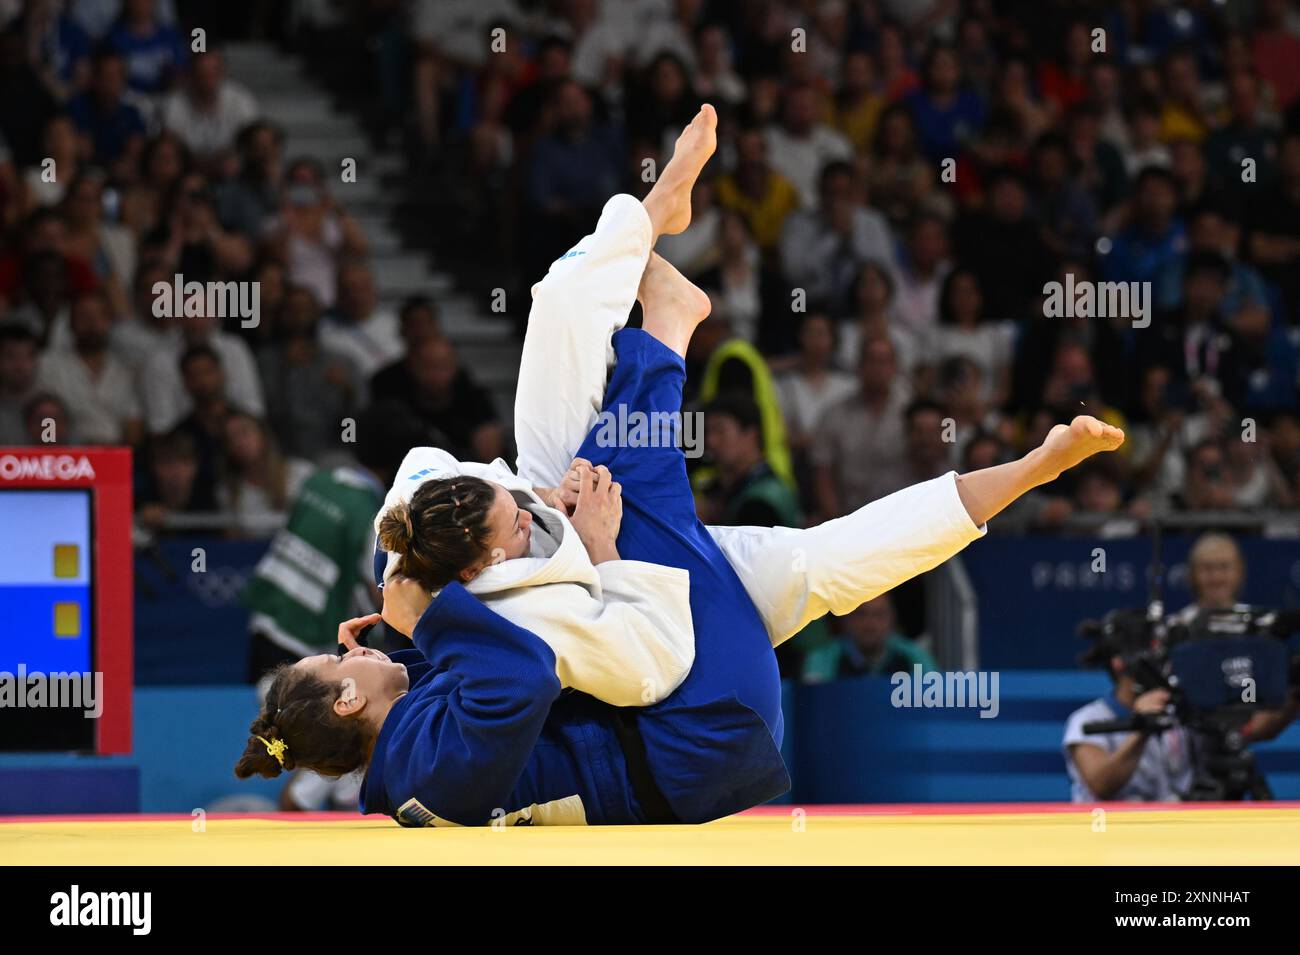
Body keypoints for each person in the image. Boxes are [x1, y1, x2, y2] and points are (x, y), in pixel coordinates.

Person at [236, 107, 1126, 825]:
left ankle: (1021, 469)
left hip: (691, 693)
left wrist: (415, 607)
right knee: (603, 472)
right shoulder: (433, 748)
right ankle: (663, 306)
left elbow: (451, 534)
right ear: (347, 697)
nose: (335, 641)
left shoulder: (425, 708)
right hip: (694, 714)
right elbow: (596, 665)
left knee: (820, 562)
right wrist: (582, 555)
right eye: (325, 657)